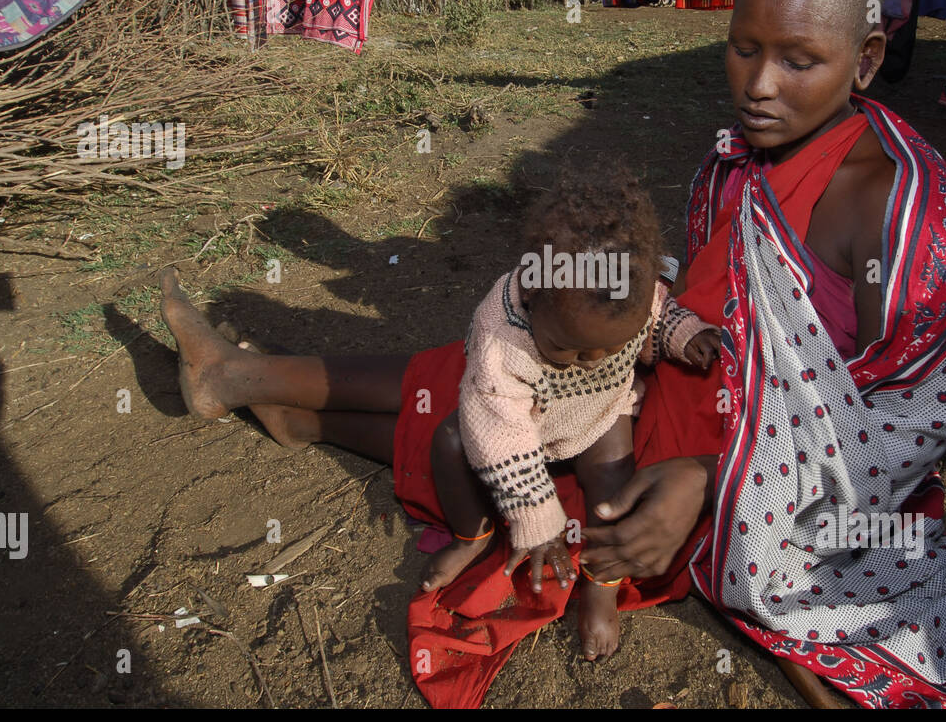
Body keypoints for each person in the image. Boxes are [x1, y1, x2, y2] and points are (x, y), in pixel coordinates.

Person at [572, 0, 946, 708]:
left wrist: (709, 478)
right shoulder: (738, 160)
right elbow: (715, 300)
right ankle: (293, 390)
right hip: (694, 398)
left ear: (867, 60)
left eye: (800, 60)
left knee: (543, 490)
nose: (759, 86)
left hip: (807, 491)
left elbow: (896, 434)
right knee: (512, 398)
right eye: (742, 48)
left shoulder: (912, 225)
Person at [157, 172, 719, 664]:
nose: (586, 360)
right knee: (450, 440)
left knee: (612, 493)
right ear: (532, 296)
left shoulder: (621, 291)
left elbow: (655, 313)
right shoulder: (503, 336)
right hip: (515, 427)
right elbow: (500, 437)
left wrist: (680, 335)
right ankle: (470, 533)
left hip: (599, 416)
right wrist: (539, 521)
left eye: (605, 349)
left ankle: (601, 592)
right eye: (566, 347)